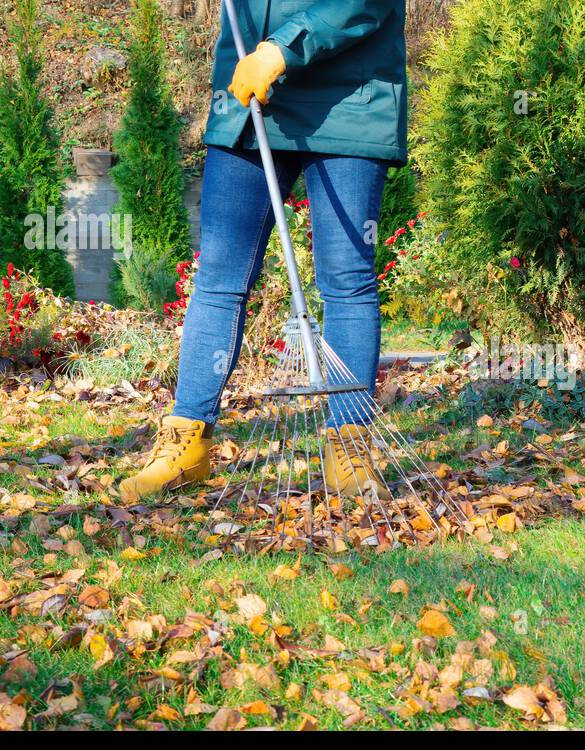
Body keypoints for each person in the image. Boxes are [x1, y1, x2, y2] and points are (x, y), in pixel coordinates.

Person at [120, 0, 406, 503]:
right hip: (251, 97)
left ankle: (349, 444)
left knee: (347, 281)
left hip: (350, 102)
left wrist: (284, 48)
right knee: (220, 278)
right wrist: (264, 56)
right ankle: (187, 442)